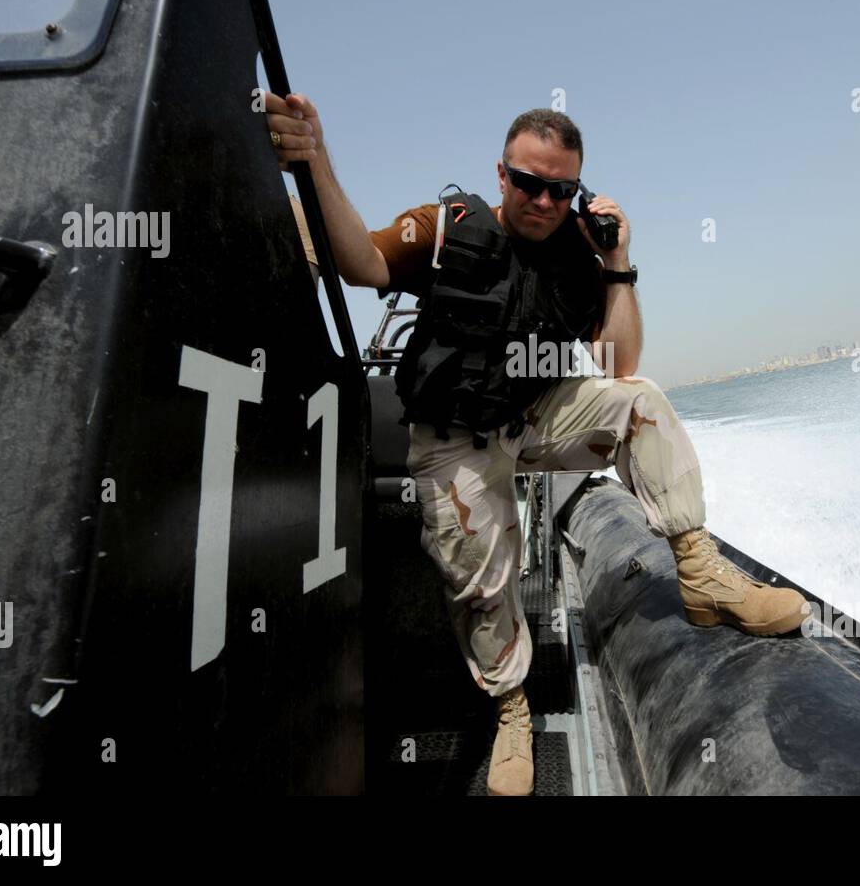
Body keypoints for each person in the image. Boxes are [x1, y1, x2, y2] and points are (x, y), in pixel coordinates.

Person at [268, 94, 808, 796]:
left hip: (536, 416)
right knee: (481, 576)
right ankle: (510, 709)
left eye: (561, 189)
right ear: (501, 174)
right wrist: (317, 162)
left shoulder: (578, 260)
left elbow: (617, 363)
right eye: (528, 182)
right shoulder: (447, 229)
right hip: (456, 433)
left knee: (639, 400)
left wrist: (617, 261)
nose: (544, 201)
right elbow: (363, 262)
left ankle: (702, 575)